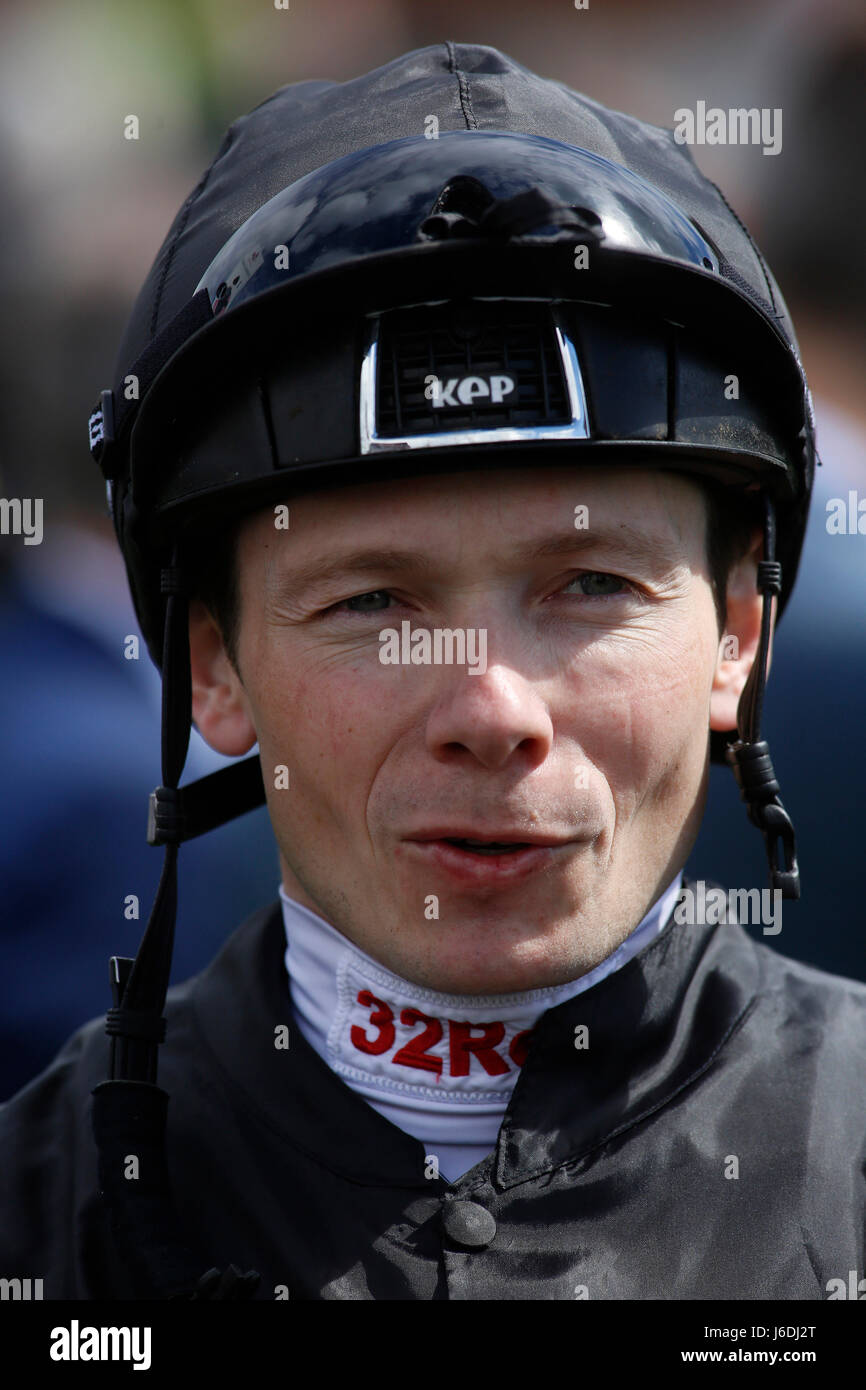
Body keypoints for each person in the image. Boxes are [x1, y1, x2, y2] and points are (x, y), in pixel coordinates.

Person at [1, 41, 864, 1302]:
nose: (491, 710)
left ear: (737, 634)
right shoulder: (36, 1224)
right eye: (371, 600)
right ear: (213, 668)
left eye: (590, 586)